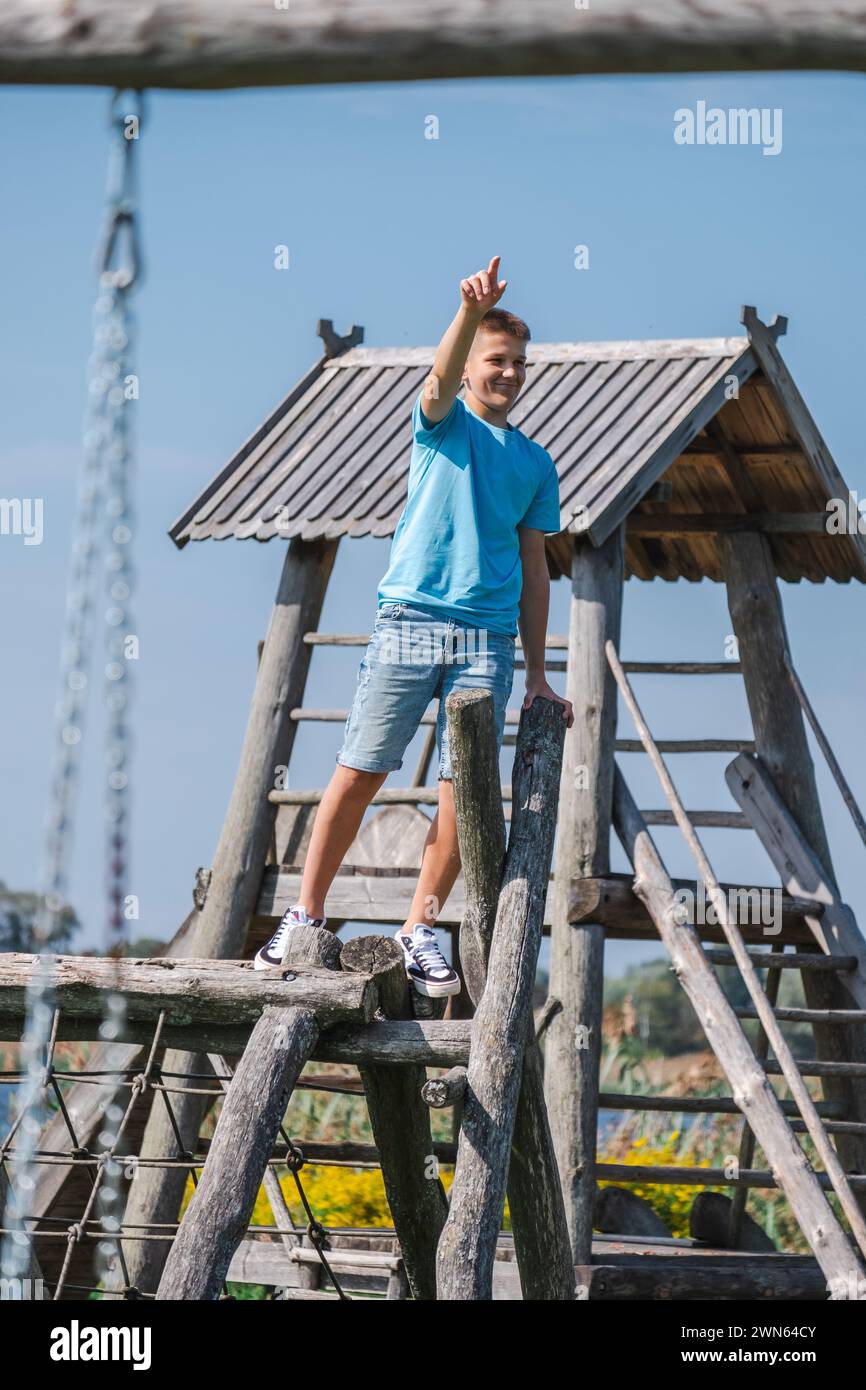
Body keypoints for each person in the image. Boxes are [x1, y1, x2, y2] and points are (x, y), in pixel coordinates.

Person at [255, 256, 573, 994]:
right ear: (470, 369)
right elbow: (436, 379)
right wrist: (468, 312)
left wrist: (537, 673)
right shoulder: (440, 424)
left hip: (485, 642)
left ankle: (419, 926)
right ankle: (305, 915)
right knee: (361, 771)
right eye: (497, 361)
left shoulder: (535, 462)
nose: (510, 374)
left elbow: (535, 569)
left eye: (520, 364)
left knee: (465, 795)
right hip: (409, 622)